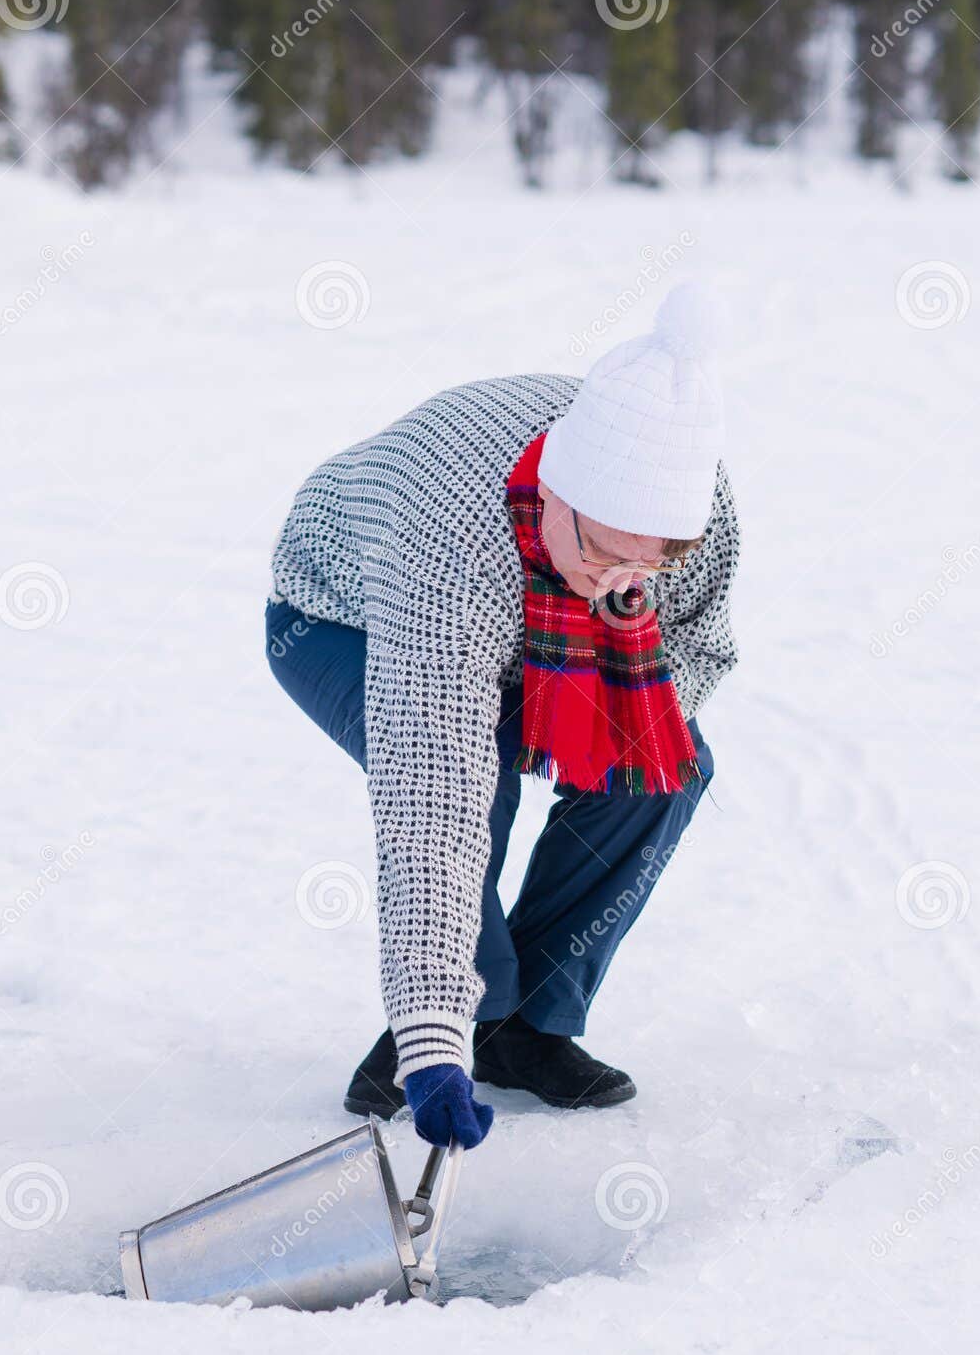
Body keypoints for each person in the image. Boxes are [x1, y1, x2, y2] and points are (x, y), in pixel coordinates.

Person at [266, 283, 739, 1152]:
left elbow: (696, 650)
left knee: (663, 769)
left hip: (537, 637)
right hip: (341, 620)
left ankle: (524, 1029)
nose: (622, 584)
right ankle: (461, 1018)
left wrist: (605, 727)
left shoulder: (690, 511)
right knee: (472, 771)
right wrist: (431, 1032)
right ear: (555, 494)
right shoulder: (452, 538)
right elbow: (432, 798)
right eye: (602, 551)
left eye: (649, 565)